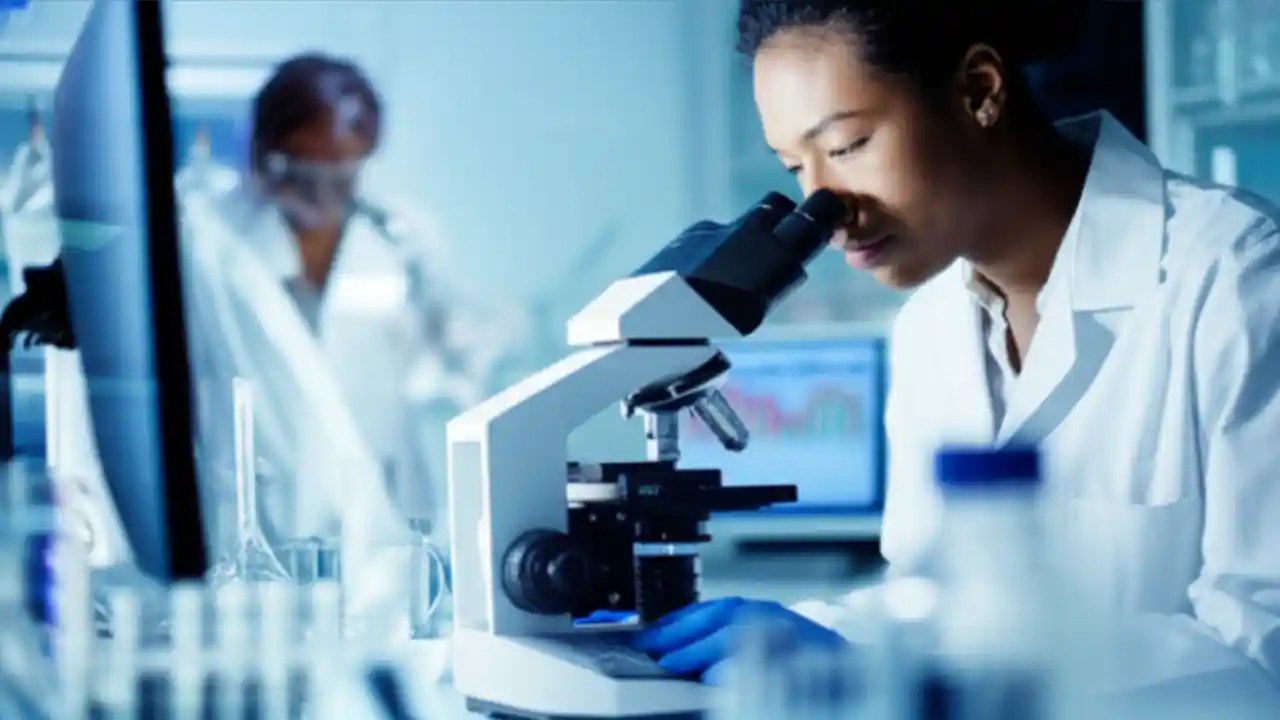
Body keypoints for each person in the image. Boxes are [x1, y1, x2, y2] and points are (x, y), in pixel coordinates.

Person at [633, 0, 1280, 703]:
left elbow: (1262, 651)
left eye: (847, 146)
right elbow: (931, 609)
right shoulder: (931, 328)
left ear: (978, 90)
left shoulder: (1234, 277)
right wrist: (803, 637)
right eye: (795, 166)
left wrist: (930, 670)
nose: (822, 209)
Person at [183, 53, 516, 558]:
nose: (320, 194)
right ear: (265, 149)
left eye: (339, 174)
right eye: (300, 170)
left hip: (383, 498)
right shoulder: (214, 241)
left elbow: (454, 347)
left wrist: (471, 345)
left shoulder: (400, 238)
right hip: (265, 495)